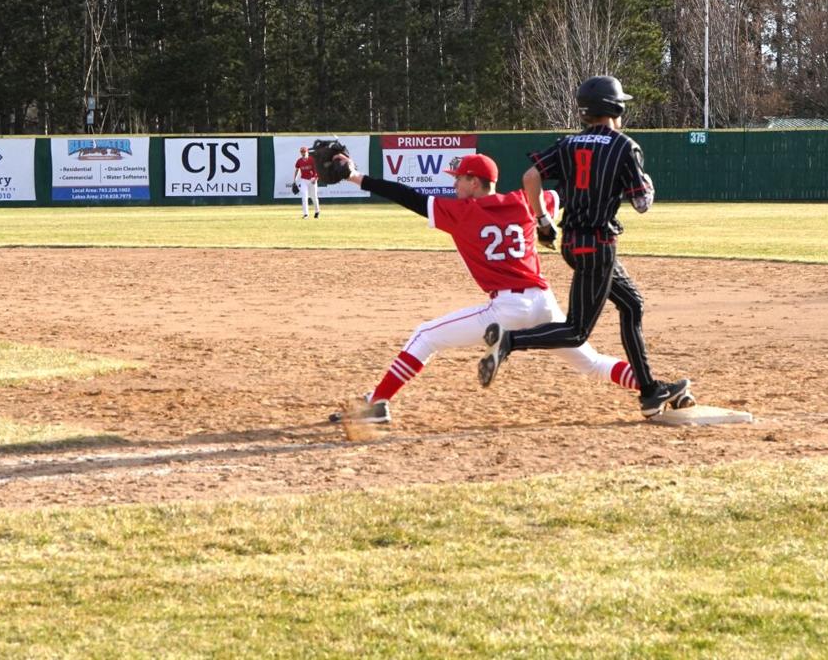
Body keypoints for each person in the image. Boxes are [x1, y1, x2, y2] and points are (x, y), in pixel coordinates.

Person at [331, 150, 660, 426]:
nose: (454, 182)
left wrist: (354, 176)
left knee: (426, 335)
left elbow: (406, 196)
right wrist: (619, 180)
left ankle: (376, 403)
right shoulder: (525, 202)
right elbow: (570, 191)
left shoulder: (461, 211)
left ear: (475, 183)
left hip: (506, 311)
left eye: (459, 178)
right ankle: (653, 387)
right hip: (544, 303)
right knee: (590, 361)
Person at [477, 75, 693, 418]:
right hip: (599, 245)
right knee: (576, 330)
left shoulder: (568, 144)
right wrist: (648, 185)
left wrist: (543, 221)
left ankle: (650, 391)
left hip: (573, 243)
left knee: (632, 305)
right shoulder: (625, 146)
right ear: (614, 107)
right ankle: (509, 342)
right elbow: (642, 204)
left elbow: (530, 177)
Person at [291, 145, 320, 218]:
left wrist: (315, 178)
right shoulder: (299, 161)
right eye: (302, 152)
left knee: (314, 197)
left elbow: (318, 170)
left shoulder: (312, 160)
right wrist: (294, 181)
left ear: (307, 152)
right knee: (304, 197)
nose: (303, 153)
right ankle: (306, 214)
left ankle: (317, 211)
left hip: (312, 180)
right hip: (303, 180)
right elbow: (297, 170)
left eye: (304, 152)